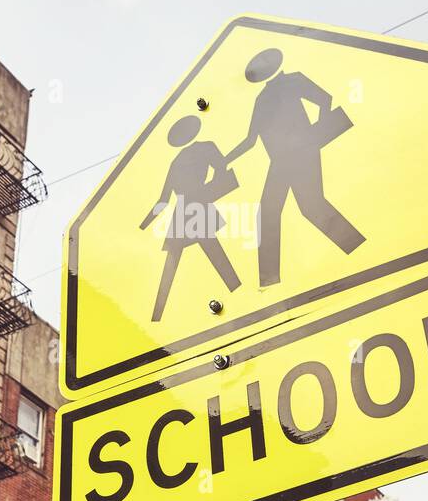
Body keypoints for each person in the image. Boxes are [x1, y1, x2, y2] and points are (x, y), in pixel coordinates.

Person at [225, 47, 365, 286]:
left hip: (303, 151)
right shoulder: (261, 100)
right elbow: (251, 140)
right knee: (269, 213)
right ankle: (269, 282)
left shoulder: (293, 80)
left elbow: (325, 99)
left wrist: (315, 137)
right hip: (279, 162)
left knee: (311, 207)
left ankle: (357, 248)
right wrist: (225, 160)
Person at [140, 115, 242, 322]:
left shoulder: (179, 160)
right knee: (208, 252)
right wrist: (141, 227)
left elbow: (163, 201)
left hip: (186, 210)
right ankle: (157, 316)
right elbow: (221, 170)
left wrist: (144, 225)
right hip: (194, 208)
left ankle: (157, 316)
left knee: (187, 257)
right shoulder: (202, 149)